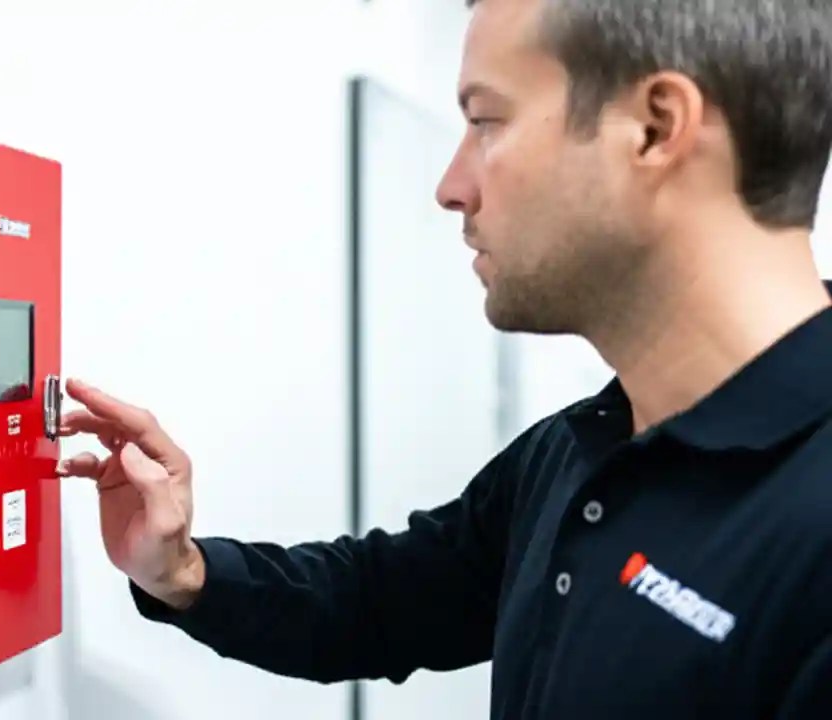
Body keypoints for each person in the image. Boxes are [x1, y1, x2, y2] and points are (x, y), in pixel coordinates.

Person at [56, 0, 832, 717]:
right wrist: (183, 573)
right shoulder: (586, 448)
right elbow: (384, 601)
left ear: (655, 129)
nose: (451, 186)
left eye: (487, 121)